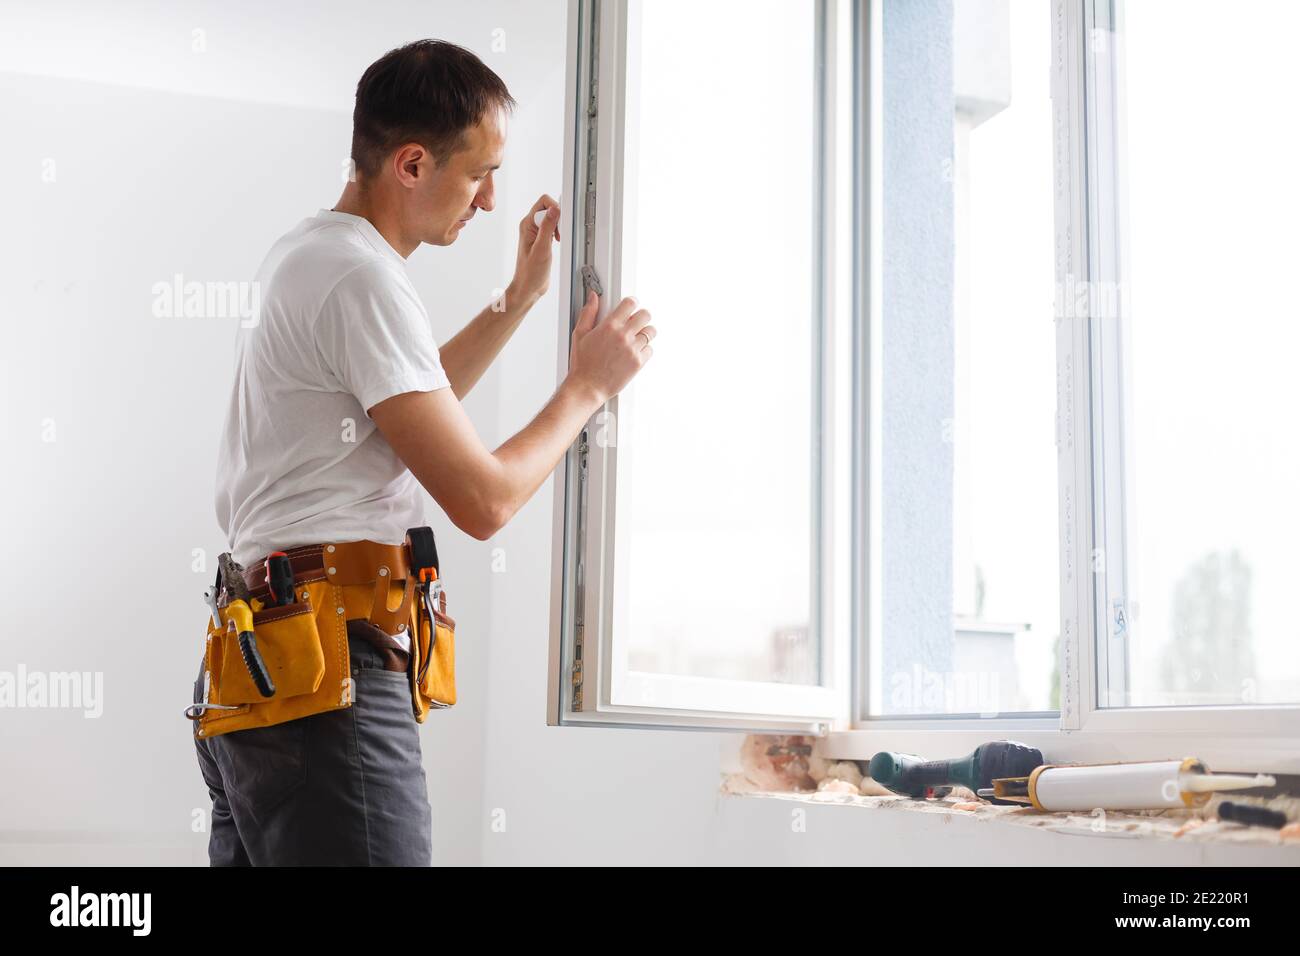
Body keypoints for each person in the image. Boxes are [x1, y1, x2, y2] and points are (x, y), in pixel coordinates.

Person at [192, 38, 654, 866]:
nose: (487, 202)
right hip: (327, 684)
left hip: (267, 677)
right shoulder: (358, 275)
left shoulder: (310, 255)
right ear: (411, 163)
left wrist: (515, 304)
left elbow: (401, 407)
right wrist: (588, 387)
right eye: (478, 174)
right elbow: (483, 501)